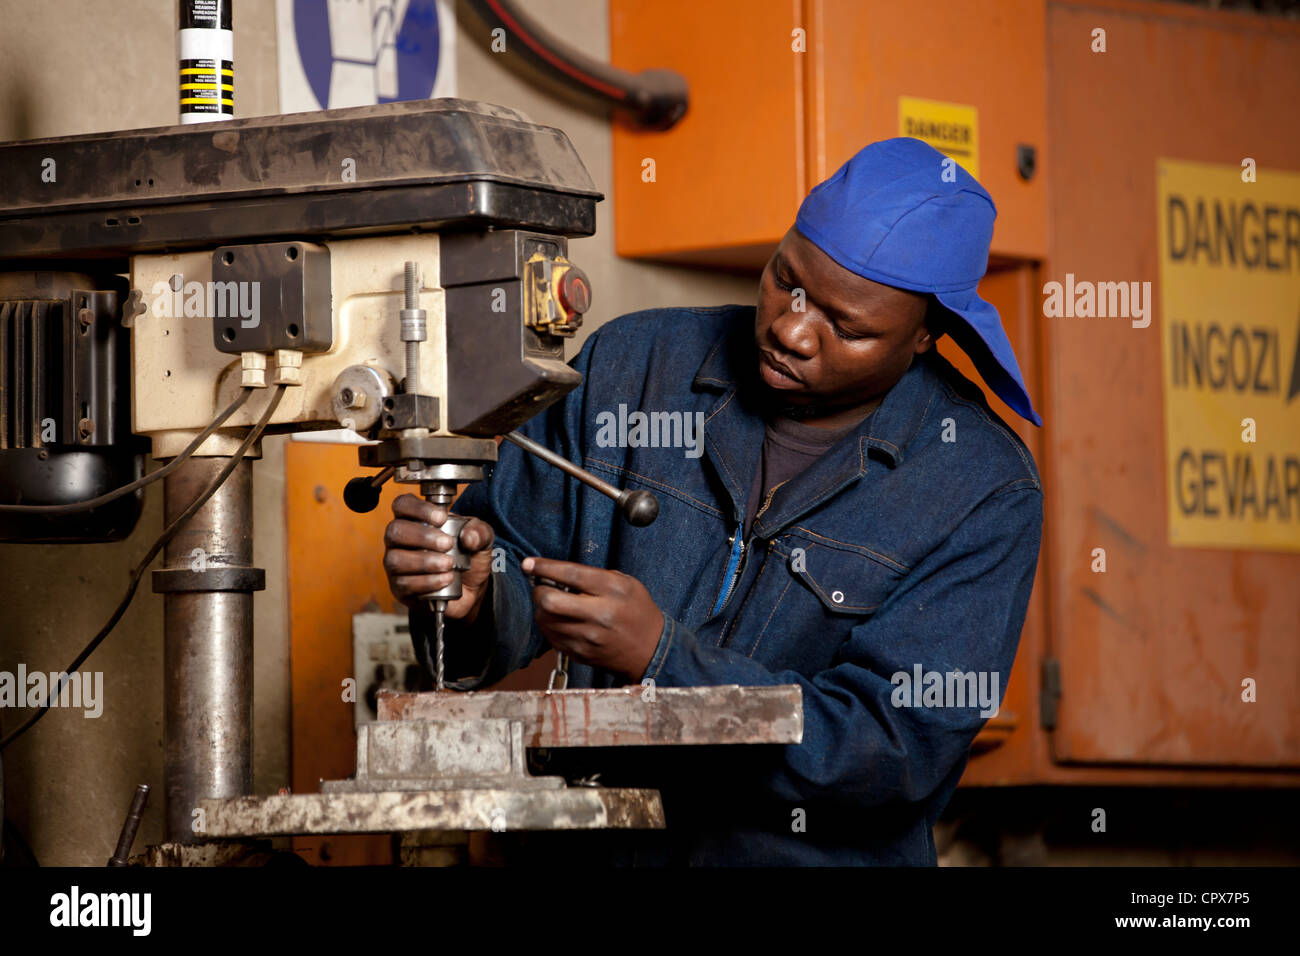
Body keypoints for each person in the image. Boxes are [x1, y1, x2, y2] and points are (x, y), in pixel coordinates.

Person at [383, 137, 1043, 865]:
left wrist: (666, 660)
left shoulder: (979, 488)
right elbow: (507, 560)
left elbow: (889, 751)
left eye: (846, 327)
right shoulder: (635, 367)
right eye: (786, 280)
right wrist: (473, 593)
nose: (791, 329)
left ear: (925, 335)